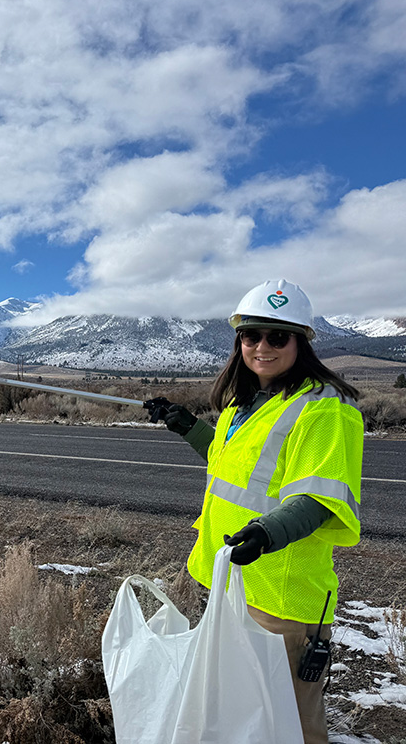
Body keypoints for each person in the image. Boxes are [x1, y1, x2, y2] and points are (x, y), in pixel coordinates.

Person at [149, 278, 363, 744]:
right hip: (233, 583)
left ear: (301, 342)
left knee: (292, 720)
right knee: (247, 712)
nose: (262, 346)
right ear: (239, 342)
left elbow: (318, 499)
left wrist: (266, 533)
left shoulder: (325, 409)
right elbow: (237, 469)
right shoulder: (242, 405)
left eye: (277, 336)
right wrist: (188, 428)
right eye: (252, 335)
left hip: (282, 596)